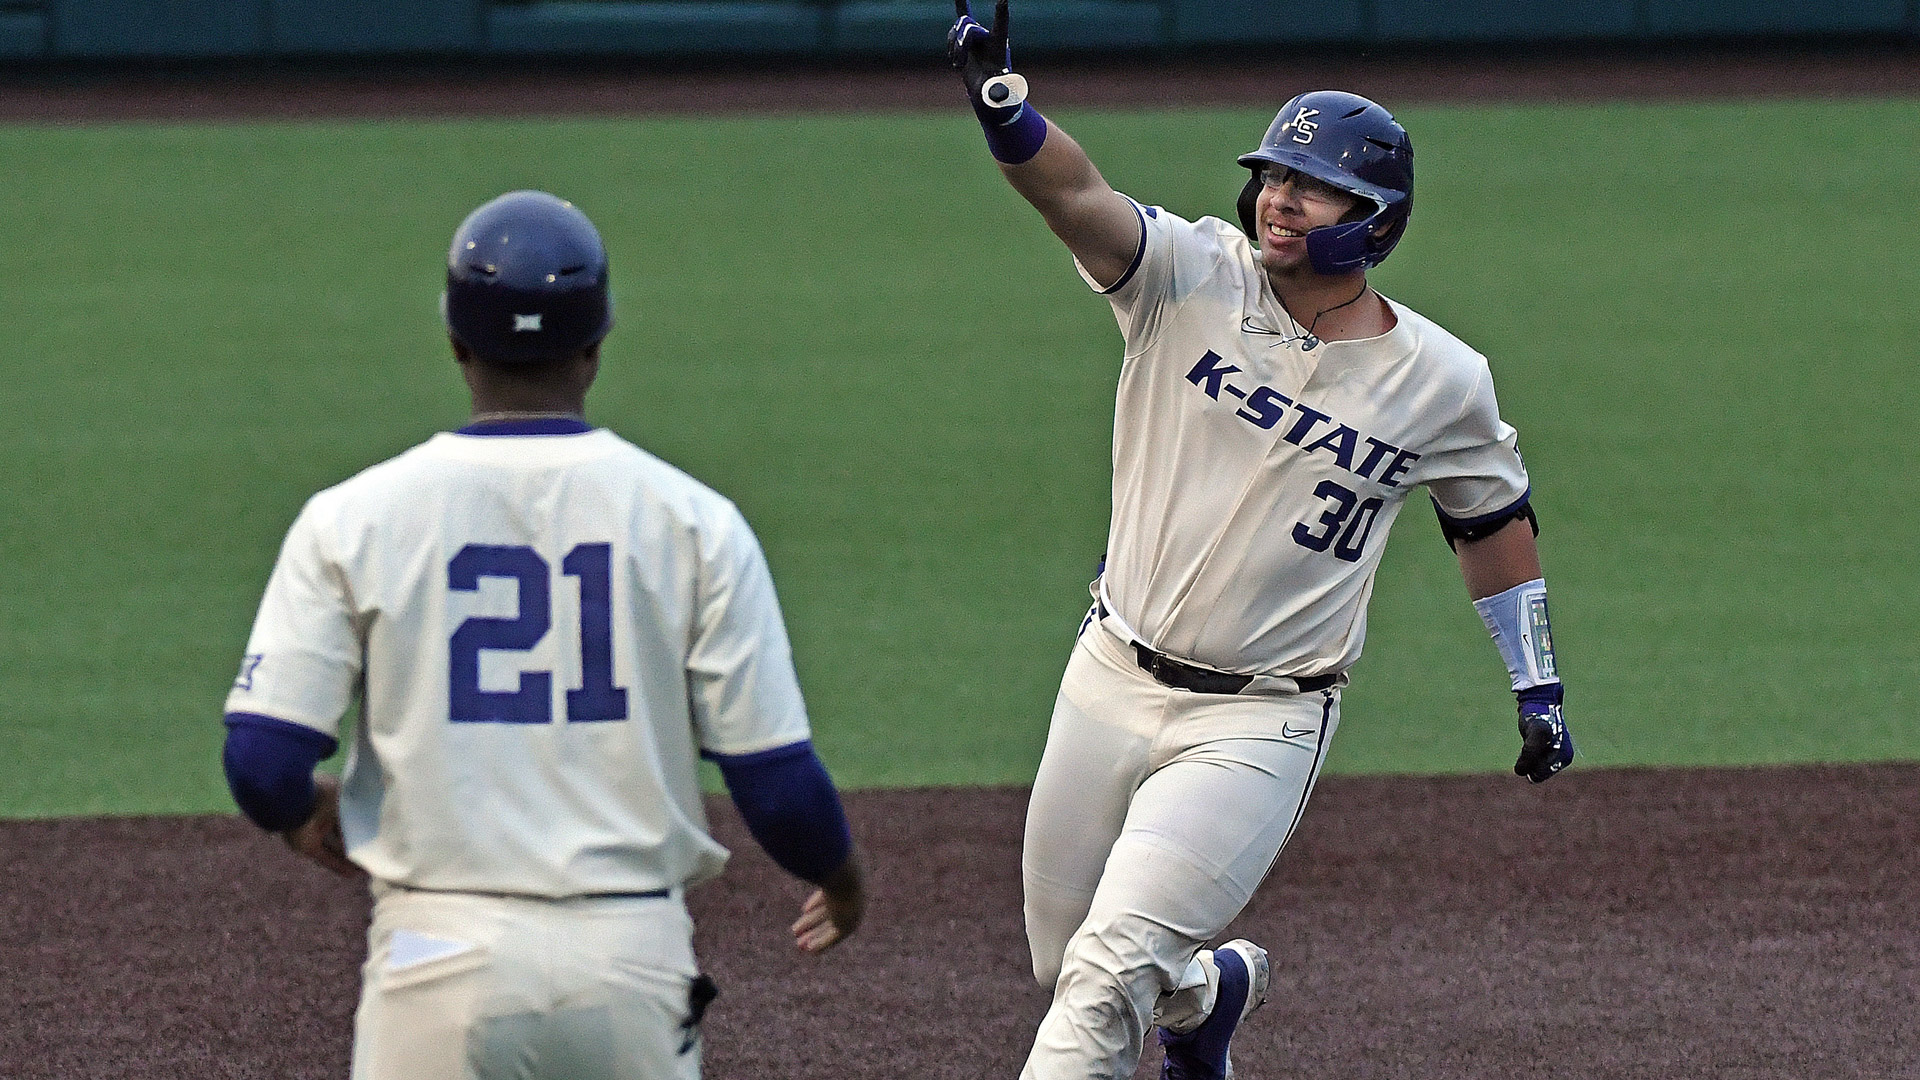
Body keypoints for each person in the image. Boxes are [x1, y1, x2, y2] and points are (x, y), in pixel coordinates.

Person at [947, 5, 1575, 1079]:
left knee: (1101, 984)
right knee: (1069, 967)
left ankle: (1176, 994)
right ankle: (1210, 997)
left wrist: (1538, 684)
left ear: (1375, 217)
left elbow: (1489, 517)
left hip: (1260, 720)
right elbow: (1078, 199)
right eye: (1274, 175)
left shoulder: (1441, 381)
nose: (1280, 198)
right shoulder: (1186, 274)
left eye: (1311, 182)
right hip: (1108, 673)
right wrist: (1007, 108)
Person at [219, 190, 866, 1080]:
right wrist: (842, 880)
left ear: (454, 340)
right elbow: (776, 782)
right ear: (596, 344)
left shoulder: (352, 518)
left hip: (434, 953)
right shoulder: (694, 521)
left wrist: (302, 819)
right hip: (629, 960)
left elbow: (261, 760)